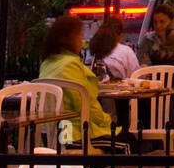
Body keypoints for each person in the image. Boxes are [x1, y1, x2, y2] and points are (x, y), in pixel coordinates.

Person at [38, 14, 119, 146]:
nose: (81, 42)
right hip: (74, 134)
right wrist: (107, 120)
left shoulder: (47, 63)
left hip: (49, 135)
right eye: (80, 37)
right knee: (129, 144)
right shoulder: (71, 65)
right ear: (68, 38)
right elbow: (85, 104)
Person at [92, 16, 139, 80]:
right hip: (120, 89)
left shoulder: (94, 49)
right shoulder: (126, 51)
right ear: (120, 34)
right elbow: (136, 76)